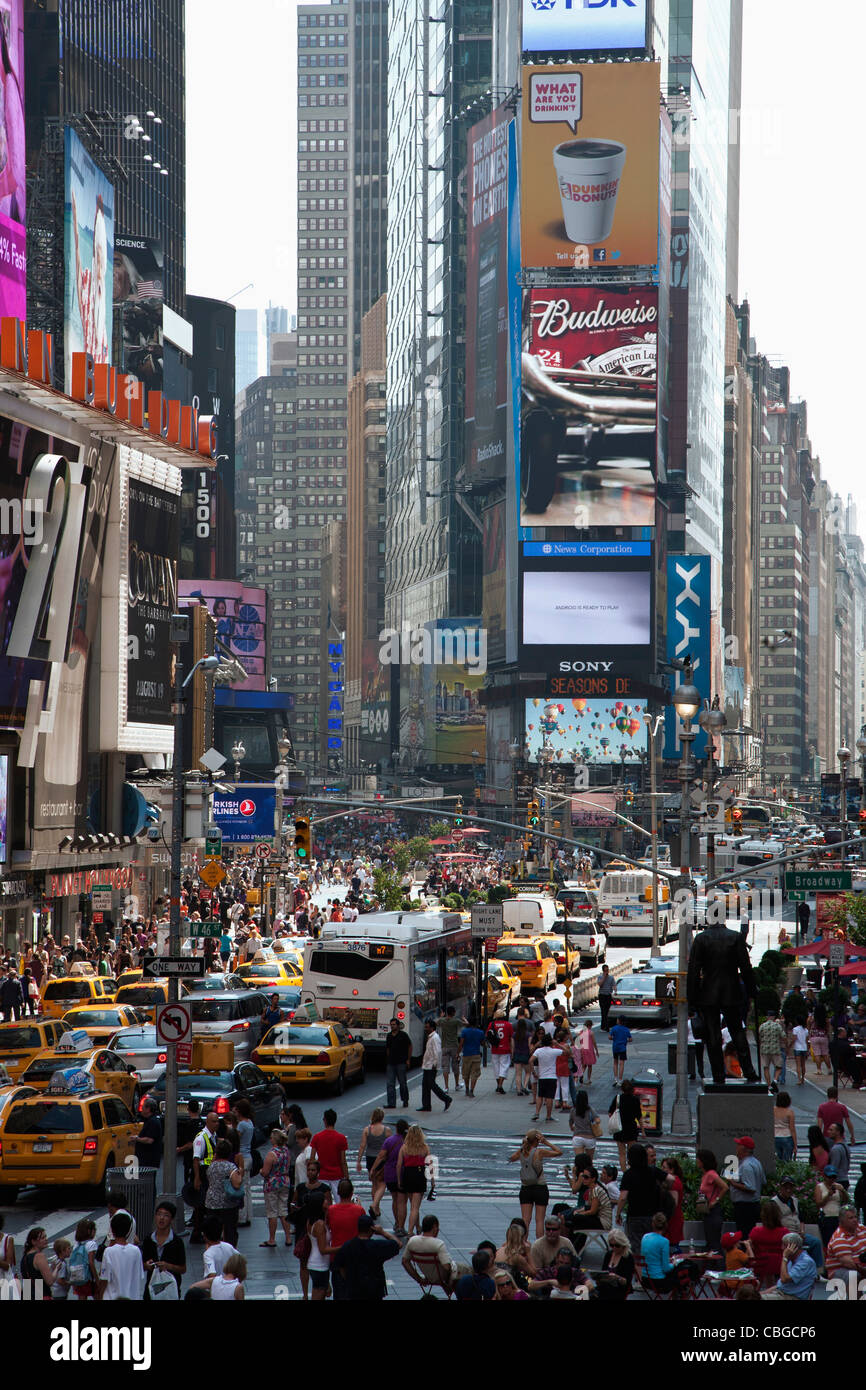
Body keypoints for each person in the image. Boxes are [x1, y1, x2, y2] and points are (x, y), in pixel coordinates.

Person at [330, 1214, 401, 1301]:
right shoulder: (377, 1246)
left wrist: (349, 1279)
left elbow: (341, 1268)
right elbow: (398, 1244)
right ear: (371, 1229)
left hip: (354, 1290)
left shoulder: (347, 1246)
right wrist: (383, 1232)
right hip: (374, 1290)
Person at [509, 1129, 563, 1238]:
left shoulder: (522, 1151)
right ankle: (539, 1245)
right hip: (540, 1187)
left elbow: (511, 1158)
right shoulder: (539, 1152)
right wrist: (546, 1142)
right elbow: (559, 1152)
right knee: (539, 1220)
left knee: (525, 1220)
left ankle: (523, 1243)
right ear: (538, 1139)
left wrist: (523, 1145)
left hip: (526, 1188)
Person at [771, 1176, 824, 1269]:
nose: (788, 1190)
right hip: (785, 1234)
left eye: (790, 1187)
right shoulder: (774, 1202)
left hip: (798, 1233)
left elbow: (801, 1218)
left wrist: (802, 1231)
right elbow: (774, 1222)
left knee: (816, 1242)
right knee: (796, 1245)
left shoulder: (795, 1200)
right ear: (781, 1188)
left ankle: (816, 1271)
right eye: (785, 1187)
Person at [370, 1117, 409, 1236]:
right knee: (403, 1202)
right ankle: (402, 1227)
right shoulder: (407, 1142)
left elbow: (381, 1156)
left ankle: (397, 1223)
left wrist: (373, 1169)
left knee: (395, 1199)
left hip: (390, 1173)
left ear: (396, 1129)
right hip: (404, 1174)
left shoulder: (389, 1141)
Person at [141, 1200, 186, 1299]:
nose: (161, 1218)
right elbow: (142, 1265)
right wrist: (147, 1265)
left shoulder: (177, 1242)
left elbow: (183, 1269)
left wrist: (168, 1266)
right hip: (151, 1289)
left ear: (171, 1219)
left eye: (166, 1215)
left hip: (171, 1290)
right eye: (159, 1214)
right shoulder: (148, 1240)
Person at [205, 1137, 244, 1245]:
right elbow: (236, 1184)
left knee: (213, 1230)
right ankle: (230, 1253)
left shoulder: (211, 1166)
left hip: (211, 1202)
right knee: (230, 1230)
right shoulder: (231, 1167)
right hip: (227, 1203)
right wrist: (240, 1172)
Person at [259, 1128, 294, 1247]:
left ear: (274, 1139)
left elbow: (265, 1172)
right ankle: (288, 1237)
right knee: (283, 1209)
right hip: (284, 1181)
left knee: (272, 1212)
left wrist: (261, 1171)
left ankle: (272, 1239)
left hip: (272, 1183)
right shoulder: (286, 1151)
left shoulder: (272, 1154)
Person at [98, 1213, 145, 1301]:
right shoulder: (136, 1251)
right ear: (128, 1230)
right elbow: (139, 1275)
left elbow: (104, 1279)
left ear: (112, 1230)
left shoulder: (109, 1252)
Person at [727, 1136, 765, 1238]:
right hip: (751, 1206)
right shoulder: (756, 1162)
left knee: (745, 1235)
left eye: (738, 1145)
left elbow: (751, 1188)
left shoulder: (746, 1166)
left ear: (743, 1149)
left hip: (745, 1208)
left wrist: (733, 1183)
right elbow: (763, 1181)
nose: (736, 1147)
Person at [396, 1124, 430, 1237]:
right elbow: (430, 1165)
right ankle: (410, 1231)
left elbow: (399, 1165)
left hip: (408, 1175)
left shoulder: (404, 1148)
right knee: (415, 1207)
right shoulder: (424, 1148)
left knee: (413, 1205)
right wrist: (433, 1181)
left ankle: (418, 1227)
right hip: (419, 1175)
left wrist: (399, 1180)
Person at [761, 1233, 817, 1301]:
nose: (782, 1248)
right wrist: (761, 1293)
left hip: (792, 1297)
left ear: (793, 1247)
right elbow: (780, 1286)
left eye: (784, 1245)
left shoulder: (806, 1262)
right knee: (752, 1296)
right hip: (781, 1293)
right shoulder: (791, 1259)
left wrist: (784, 1258)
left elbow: (784, 1279)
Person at [357, 1108, 391, 1218]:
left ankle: (376, 1208)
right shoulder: (387, 1130)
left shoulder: (367, 1130)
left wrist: (359, 1161)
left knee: (374, 1183)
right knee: (382, 1184)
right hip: (382, 1159)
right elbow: (390, 1146)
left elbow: (362, 1146)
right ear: (382, 1117)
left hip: (370, 1158)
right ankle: (375, 1205)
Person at [695, 1148, 729, 1253]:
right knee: (710, 1242)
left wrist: (715, 1200)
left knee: (714, 1243)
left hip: (713, 1212)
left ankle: (718, 1266)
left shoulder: (711, 1174)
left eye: (698, 1159)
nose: (696, 1161)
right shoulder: (705, 1175)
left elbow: (725, 1187)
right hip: (707, 1212)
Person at [311, 1109, 350, 1198]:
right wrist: (347, 1178)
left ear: (325, 1120)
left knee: (322, 1202)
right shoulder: (341, 1138)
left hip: (322, 1175)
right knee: (340, 1200)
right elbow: (343, 1161)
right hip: (337, 1175)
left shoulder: (317, 1137)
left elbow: (312, 1159)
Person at [747, 1200, 786, 1288]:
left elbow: (750, 1250)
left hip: (760, 1264)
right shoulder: (784, 1232)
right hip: (780, 1264)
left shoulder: (755, 1231)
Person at [418, 1018, 453, 1112]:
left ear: (432, 1028)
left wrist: (434, 1064)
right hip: (427, 1065)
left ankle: (446, 1099)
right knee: (425, 1085)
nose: (425, 1029)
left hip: (431, 1066)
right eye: (425, 1027)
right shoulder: (431, 1037)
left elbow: (437, 1052)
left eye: (427, 1027)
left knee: (431, 1084)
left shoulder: (435, 1038)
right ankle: (426, 1105)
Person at [610, 1077, 644, 1171]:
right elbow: (639, 1117)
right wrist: (643, 1131)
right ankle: (631, 1170)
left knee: (622, 1154)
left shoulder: (618, 1098)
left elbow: (610, 1112)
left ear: (622, 1089)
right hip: (631, 1129)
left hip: (619, 1128)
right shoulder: (635, 1100)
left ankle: (624, 1172)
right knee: (632, 1153)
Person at [825, 1206, 866, 1280]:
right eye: (851, 1218)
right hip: (841, 1270)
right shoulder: (839, 1238)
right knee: (852, 1275)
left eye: (855, 1217)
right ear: (842, 1221)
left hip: (861, 1266)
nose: (855, 1220)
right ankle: (852, 1291)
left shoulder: (861, 1228)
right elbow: (850, 1264)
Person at [531, 1032, 564, 1123]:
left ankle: (537, 1113)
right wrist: (557, 1044)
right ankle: (548, 1116)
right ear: (551, 1042)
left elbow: (530, 1060)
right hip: (552, 1077)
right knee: (549, 1097)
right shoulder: (554, 1051)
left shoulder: (539, 1051)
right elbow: (568, 1052)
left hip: (542, 1077)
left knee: (540, 1096)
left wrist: (534, 1072)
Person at [494, 1218, 537, 1287]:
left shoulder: (499, 1250)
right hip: (507, 1286)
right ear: (520, 1238)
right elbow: (534, 1274)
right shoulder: (516, 1257)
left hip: (498, 1285)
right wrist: (528, 1252)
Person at [596, 1226, 635, 1302]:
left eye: (617, 1245)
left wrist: (617, 1277)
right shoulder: (609, 1254)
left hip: (619, 1289)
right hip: (605, 1287)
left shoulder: (627, 1257)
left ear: (623, 1244)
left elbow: (627, 1281)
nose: (614, 1248)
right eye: (611, 1245)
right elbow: (603, 1272)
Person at [19, 1228, 57, 1300]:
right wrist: (56, 1269)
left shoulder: (25, 1257)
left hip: (27, 1294)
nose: (46, 1239)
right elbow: (50, 1281)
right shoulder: (39, 1256)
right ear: (33, 1241)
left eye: (45, 1237)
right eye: (42, 1238)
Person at [814, 1163, 844, 1248]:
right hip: (826, 1217)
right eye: (829, 1177)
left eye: (833, 1177)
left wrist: (843, 1190)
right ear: (824, 1176)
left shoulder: (838, 1186)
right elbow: (818, 1204)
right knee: (827, 1242)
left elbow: (845, 1201)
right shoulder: (819, 1187)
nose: (831, 1179)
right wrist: (828, 1195)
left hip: (837, 1217)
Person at [384, 1018, 412, 1108]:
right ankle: (391, 1103)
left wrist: (408, 1059)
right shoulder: (389, 1036)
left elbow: (410, 1046)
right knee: (390, 1084)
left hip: (401, 1063)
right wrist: (388, 1058)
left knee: (403, 1083)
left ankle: (405, 1100)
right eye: (391, 1025)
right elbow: (388, 1048)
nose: (392, 1026)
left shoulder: (403, 1035)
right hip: (391, 1063)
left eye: (394, 1024)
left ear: (398, 1025)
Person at [134, 1097, 163, 1173]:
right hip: (146, 1159)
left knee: (147, 1181)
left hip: (149, 1160)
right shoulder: (150, 1120)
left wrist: (137, 1138)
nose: (141, 1109)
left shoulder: (153, 1122)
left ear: (148, 1109)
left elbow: (149, 1140)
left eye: (143, 1107)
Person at [458, 1016, 485, 1097]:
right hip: (476, 1054)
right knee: (474, 1074)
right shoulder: (480, 1032)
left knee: (466, 1073)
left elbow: (461, 1044)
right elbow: (483, 1043)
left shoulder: (464, 1031)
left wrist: (457, 1053)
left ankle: (466, 1088)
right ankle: (471, 1090)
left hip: (466, 1054)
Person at [488, 1013, 514, 1095]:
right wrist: (512, 1050)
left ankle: (498, 1085)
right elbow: (511, 1038)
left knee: (496, 1068)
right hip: (505, 1049)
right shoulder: (508, 1025)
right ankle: (500, 1085)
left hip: (495, 1049)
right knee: (504, 1066)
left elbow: (488, 1035)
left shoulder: (491, 1024)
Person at [569, 1088, 600, 1158]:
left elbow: (570, 1121)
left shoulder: (573, 1110)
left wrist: (572, 1127)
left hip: (577, 1137)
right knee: (589, 1161)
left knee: (579, 1161)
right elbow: (597, 1120)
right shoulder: (590, 1109)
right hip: (589, 1137)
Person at [759, 1010, 786, 1089]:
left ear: (767, 1017)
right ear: (774, 1017)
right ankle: (775, 1080)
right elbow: (783, 1036)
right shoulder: (777, 1026)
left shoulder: (762, 1026)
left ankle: (769, 1085)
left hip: (764, 1049)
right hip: (775, 1049)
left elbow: (759, 1037)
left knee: (766, 1067)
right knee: (779, 1066)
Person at [773, 1090, 797, 1163]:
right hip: (787, 1136)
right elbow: (792, 1129)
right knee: (786, 1161)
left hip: (775, 1135)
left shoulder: (772, 1110)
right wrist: (795, 1144)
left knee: (778, 1160)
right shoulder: (790, 1112)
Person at [609, 1016, 632, 1084]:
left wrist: (615, 1039)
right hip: (623, 1048)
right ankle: (620, 1079)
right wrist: (625, 1040)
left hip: (615, 1047)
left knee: (615, 1062)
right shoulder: (626, 1029)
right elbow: (630, 1039)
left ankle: (615, 1078)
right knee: (621, 1064)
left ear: (619, 1021)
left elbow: (610, 1037)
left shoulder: (614, 1028)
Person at [598, 963, 615, 1031]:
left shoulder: (611, 977)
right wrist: (604, 977)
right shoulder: (600, 977)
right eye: (605, 971)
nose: (606, 972)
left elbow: (614, 985)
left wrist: (615, 990)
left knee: (607, 1011)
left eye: (607, 970)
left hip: (608, 995)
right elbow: (600, 984)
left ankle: (604, 1026)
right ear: (603, 971)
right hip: (602, 995)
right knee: (603, 1011)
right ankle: (605, 1026)